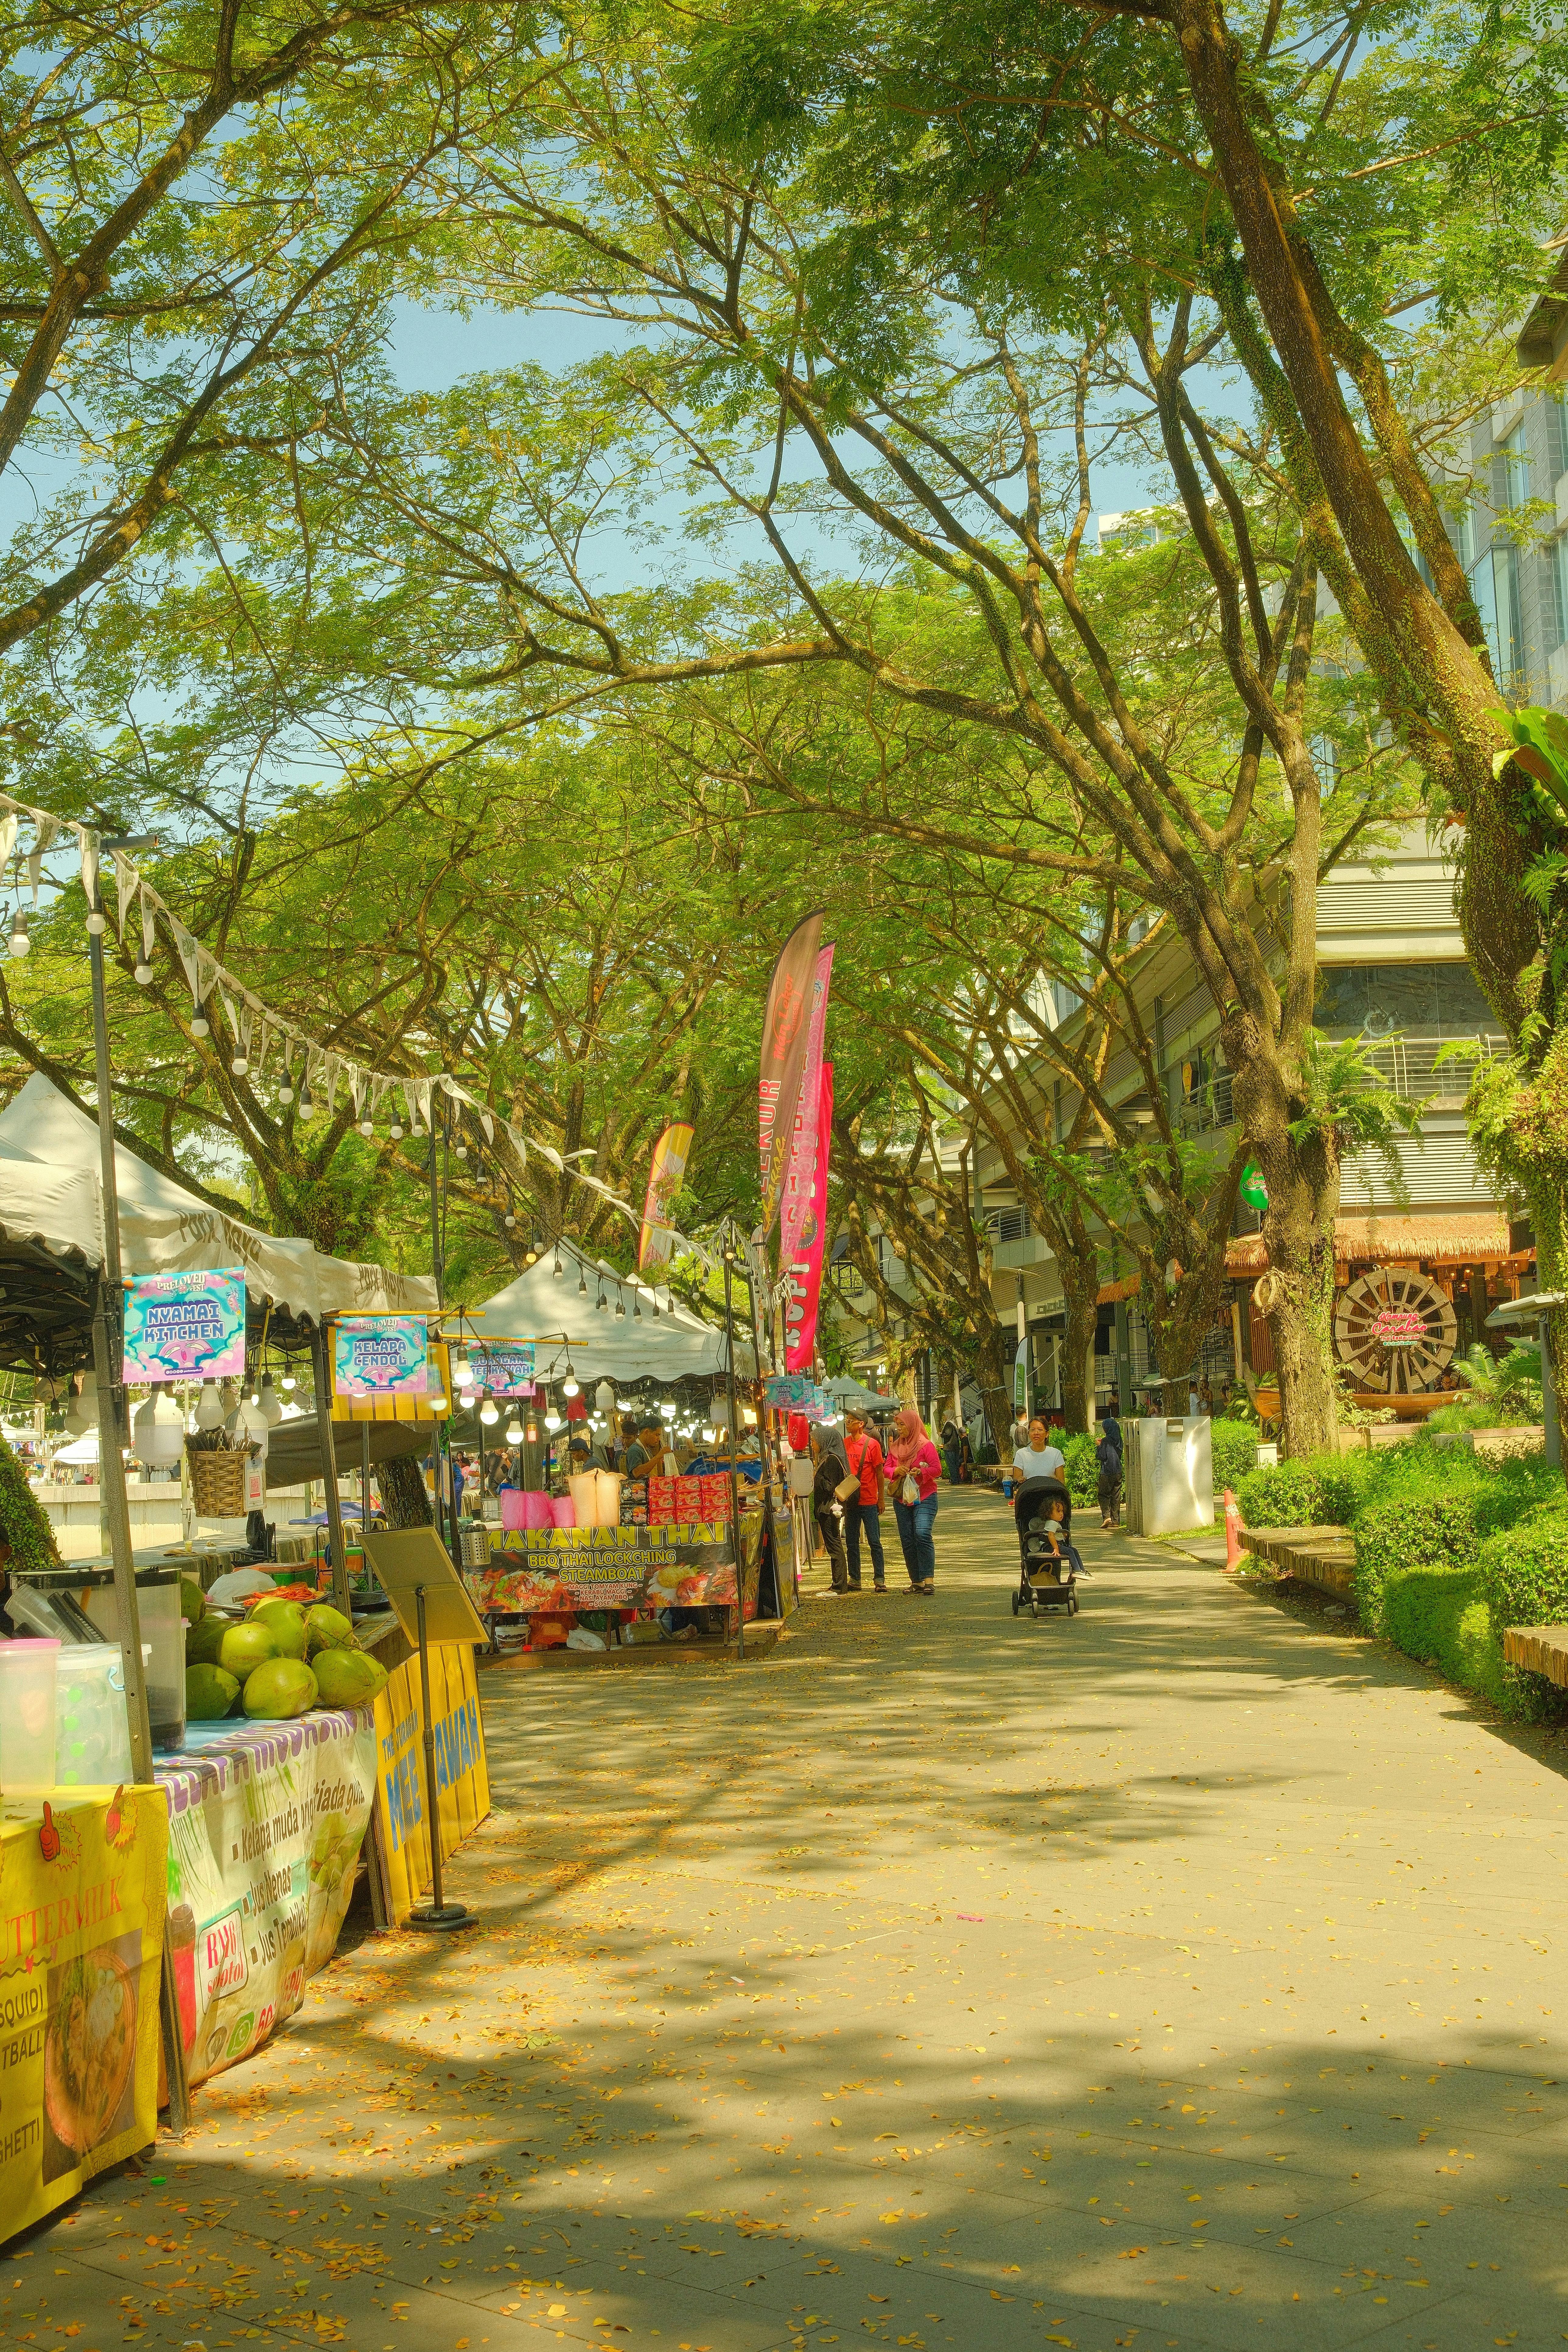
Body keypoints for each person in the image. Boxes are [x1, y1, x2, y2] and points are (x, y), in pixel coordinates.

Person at [887, 1405, 942, 1594]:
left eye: (903, 1425)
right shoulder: (896, 1447)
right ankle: (916, 1581)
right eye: (898, 1425)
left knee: (922, 1534)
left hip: (925, 1496)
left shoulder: (926, 1446)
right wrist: (895, 1470)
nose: (900, 1429)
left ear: (912, 1425)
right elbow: (886, 1468)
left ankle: (929, 1580)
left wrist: (922, 1472)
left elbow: (937, 1469)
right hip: (902, 1498)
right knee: (908, 1539)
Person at [842, 1408, 887, 1592]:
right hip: (850, 1500)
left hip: (869, 1499)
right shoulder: (844, 1443)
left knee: (874, 1541)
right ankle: (855, 1579)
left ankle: (880, 1579)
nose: (847, 1423)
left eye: (851, 1420)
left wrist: (881, 1499)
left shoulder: (872, 1445)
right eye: (847, 1419)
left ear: (861, 1424)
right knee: (851, 1541)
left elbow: (880, 1473)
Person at [811, 1425, 854, 1594]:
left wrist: (816, 1478)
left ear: (824, 1441)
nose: (813, 1445)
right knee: (833, 1546)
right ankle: (838, 1583)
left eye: (814, 1441)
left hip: (829, 1509)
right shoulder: (828, 1458)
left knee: (834, 1546)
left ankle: (839, 1585)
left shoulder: (831, 1460)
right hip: (827, 1508)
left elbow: (830, 1486)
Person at [1011, 1415, 1066, 1483]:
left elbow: (1062, 1482)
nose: (1036, 1433)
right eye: (1033, 1430)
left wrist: (1055, 1481)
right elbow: (1016, 1483)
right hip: (1029, 1493)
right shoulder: (1021, 1454)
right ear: (1029, 1434)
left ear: (1047, 1434)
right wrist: (1020, 1481)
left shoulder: (1056, 1453)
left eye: (1040, 1430)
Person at [1095, 1414, 1124, 1529]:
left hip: (1107, 1471)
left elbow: (1102, 1456)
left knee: (1103, 1495)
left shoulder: (1106, 1441)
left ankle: (1107, 1517)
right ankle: (1116, 1521)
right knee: (1116, 1496)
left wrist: (1099, 1446)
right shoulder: (1119, 1440)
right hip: (1118, 1471)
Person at [940, 1414, 962, 1485]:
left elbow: (947, 1434)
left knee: (951, 1464)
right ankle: (957, 1479)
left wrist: (941, 1434)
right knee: (956, 1464)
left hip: (950, 1447)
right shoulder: (954, 1424)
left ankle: (954, 1480)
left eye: (945, 1415)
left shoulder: (949, 1424)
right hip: (955, 1447)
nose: (945, 1417)